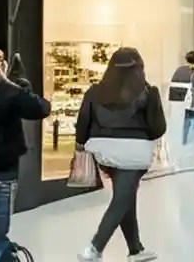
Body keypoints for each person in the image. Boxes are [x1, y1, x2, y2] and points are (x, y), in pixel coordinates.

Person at [75, 48, 165, 262]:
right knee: (121, 199)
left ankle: (136, 249)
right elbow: (158, 128)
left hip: (104, 151)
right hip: (134, 153)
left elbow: (82, 122)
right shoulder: (147, 92)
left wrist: (80, 145)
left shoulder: (95, 91)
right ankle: (94, 248)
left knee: (126, 196)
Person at [0, 53, 50, 260]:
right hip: (3, 171)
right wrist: (23, 89)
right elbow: (41, 108)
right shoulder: (9, 91)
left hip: (3, 169)